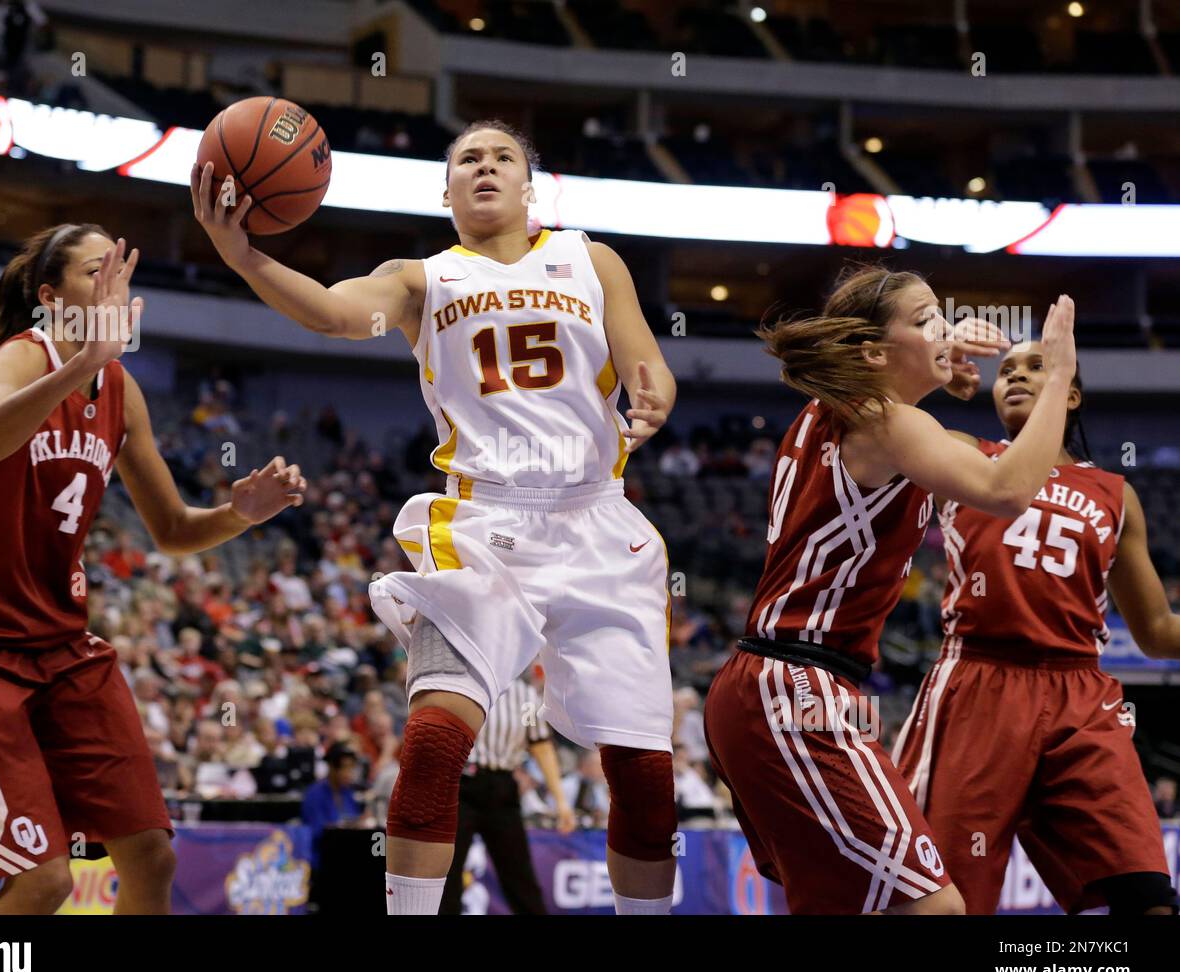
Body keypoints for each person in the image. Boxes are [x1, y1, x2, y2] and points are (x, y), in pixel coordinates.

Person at [193, 119, 680, 915]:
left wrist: (655, 390)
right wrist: (244, 254)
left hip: (596, 520)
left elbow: (644, 360)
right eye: (467, 160)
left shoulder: (592, 260)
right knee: (431, 742)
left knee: (645, 778)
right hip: (481, 524)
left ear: (531, 187)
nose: (485, 167)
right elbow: (332, 314)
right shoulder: (421, 280)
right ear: (445, 190)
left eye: (503, 158)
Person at [0, 223, 306, 914]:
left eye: (121, 267)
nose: (114, 281)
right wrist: (80, 360)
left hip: (61, 645)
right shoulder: (24, 357)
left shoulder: (122, 391)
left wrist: (242, 511)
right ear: (51, 296)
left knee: (152, 854)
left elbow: (175, 529)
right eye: (97, 270)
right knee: (45, 882)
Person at [702, 265, 1078, 914]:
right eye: (927, 316)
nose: (947, 326)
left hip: (767, 687)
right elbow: (1008, 489)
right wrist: (1060, 378)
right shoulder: (886, 420)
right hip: (797, 687)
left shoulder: (831, 410)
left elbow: (896, 404)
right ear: (875, 351)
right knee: (935, 909)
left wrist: (932, 359)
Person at [892, 338, 1179, 915]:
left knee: (1147, 896)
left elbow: (1154, 631)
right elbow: (879, 418)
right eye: (1005, 372)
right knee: (946, 901)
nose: (1015, 377)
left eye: (1035, 367)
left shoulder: (1116, 494)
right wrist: (929, 372)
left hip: (1081, 693)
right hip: (979, 682)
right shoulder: (963, 452)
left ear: (1069, 394)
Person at [439, 673, 573, 915]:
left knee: (518, 873)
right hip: (461, 784)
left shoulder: (526, 698)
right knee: (448, 870)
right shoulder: (467, 684)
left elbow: (540, 745)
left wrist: (561, 802)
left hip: (501, 786)